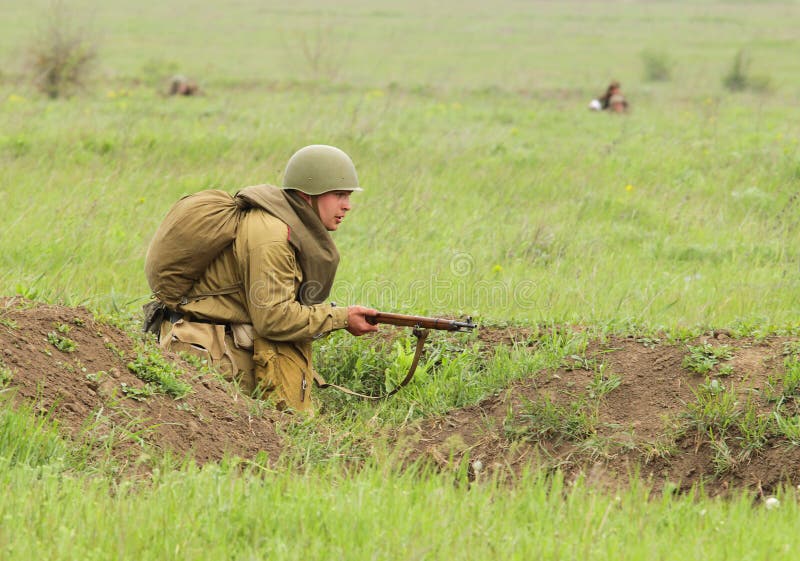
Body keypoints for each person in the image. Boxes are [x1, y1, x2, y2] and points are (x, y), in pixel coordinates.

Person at [154, 145, 379, 412]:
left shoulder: (283, 222)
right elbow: (274, 317)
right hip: (212, 359)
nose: (348, 205)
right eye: (340, 195)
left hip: (221, 345)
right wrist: (341, 318)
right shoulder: (273, 237)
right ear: (309, 195)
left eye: (349, 196)